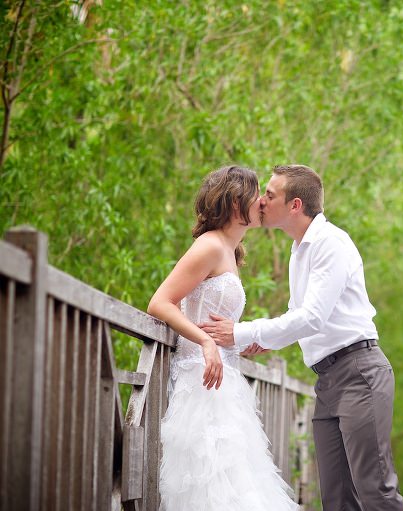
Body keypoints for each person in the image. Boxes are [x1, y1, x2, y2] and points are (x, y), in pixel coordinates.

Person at [201, 164, 403, 510]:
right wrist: (266, 342)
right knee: (336, 497)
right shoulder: (300, 250)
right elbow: (302, 315)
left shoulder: (331, 243)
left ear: (295, 205)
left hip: (359, 373)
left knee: (375, 490)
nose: (260, 202)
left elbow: (312, 317)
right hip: (328, 380)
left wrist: (240, 332)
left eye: (269, 195)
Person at [147, 165, 299, 511]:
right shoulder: (210, 246)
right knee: (212, 488)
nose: (262, 201)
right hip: (200, 382)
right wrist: (205, 342)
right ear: (235, 203)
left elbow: (216, 320)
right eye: (256, 194)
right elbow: (159, 303)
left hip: (224, 384)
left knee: (238, 488)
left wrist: (241, 343)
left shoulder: (230, 252)